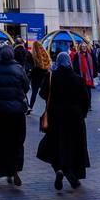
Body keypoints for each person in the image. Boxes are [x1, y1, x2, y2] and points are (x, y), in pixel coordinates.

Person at [37, 51, 90, 191]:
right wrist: (82, 114)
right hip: (75, 117)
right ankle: (74, 175)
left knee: (54, 144)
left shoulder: (51, 76)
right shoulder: (78, 79)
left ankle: (59, 169)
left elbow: (42, 93)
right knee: (74, 146)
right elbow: (86, 100)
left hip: (56, 116)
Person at [0, 44, 30, 186]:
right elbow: (26, 87)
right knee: (17, 140)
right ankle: (15, 169)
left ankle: (1, 169)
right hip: (17, 111)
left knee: (0, 140)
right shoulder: (19, 69)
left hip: (0, 111)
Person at [27, 40, 51, 112]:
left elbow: (31, 67)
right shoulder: (45, 54)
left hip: (35, 77)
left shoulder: (32, 56)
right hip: (44, 76)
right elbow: (48, 64)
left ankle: (30, 107)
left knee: (34, 93)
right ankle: (48, 107)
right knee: (46, 93)